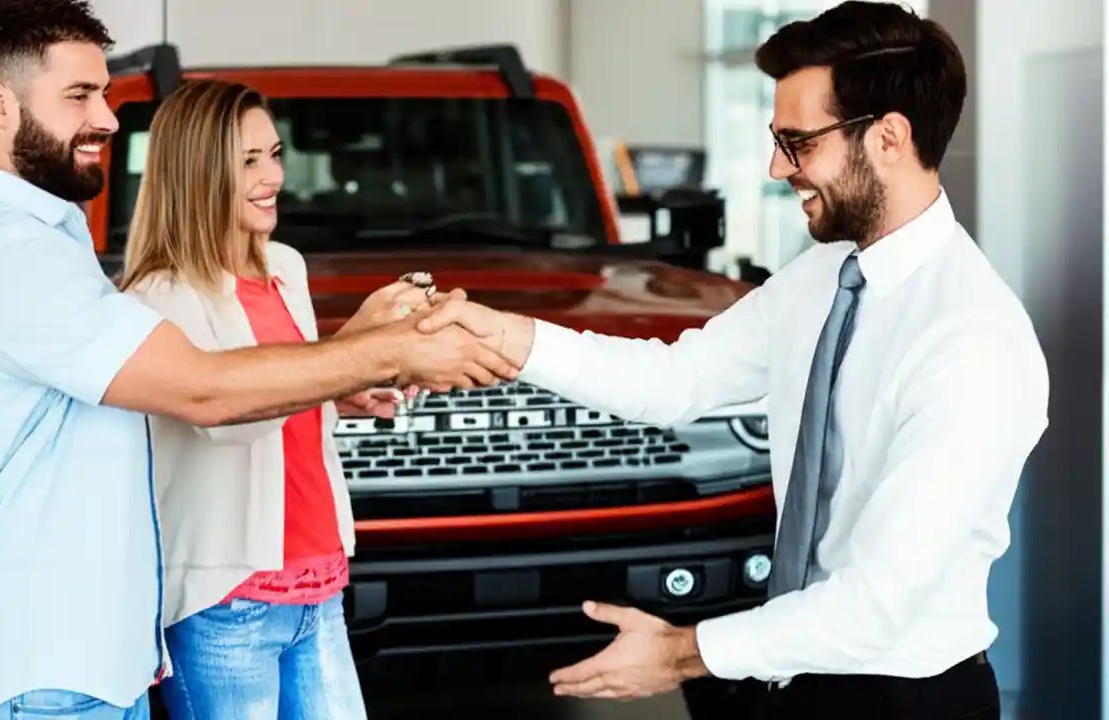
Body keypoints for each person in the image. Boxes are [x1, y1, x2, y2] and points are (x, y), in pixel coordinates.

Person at [418, 2, 1048, 718]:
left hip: (903, 699)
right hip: (785, 674)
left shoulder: (972, 342)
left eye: (797, 142)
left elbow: (876, 604)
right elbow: (677, 380)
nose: (777, 167)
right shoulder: (821, 278)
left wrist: (680, 654)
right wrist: (502, 336)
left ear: (890, 138)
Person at [0, 2, 516, 719]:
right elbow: (204, 393)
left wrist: (331, 384)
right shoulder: (11, 253)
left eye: (102, 93)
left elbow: (141, 402)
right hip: (47, 666)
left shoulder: (43, 235)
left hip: (90, 658)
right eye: (79, 96)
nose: (107, 119)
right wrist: (385, 350)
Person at [117, 78, 423, 719]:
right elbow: (225, 416)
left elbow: (290, 386)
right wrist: (358, 352)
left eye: (275, 154)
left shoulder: (286, 265)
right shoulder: (160, 295)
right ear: (198, 175)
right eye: (248, 162)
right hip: (228, 597)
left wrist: (345, 390)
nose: (273, 176)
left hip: (319, 579)